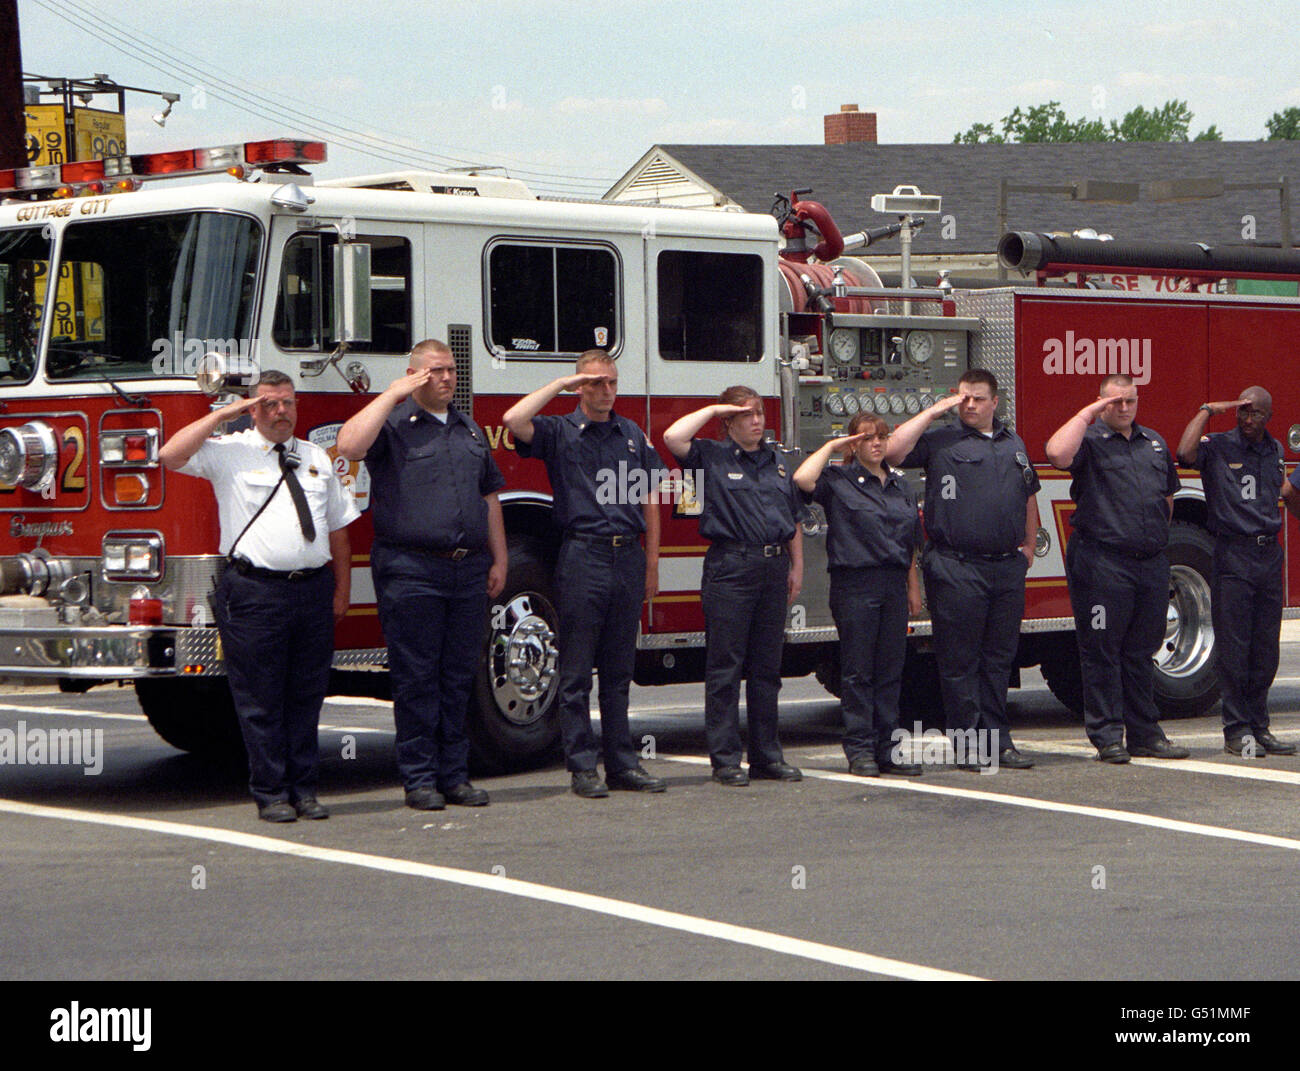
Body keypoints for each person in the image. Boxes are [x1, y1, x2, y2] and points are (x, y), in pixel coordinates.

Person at [160, 369, 359, 822]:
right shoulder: (230, 453)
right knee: (261, 699)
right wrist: (227, 412)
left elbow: (339, 527)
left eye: (287, 402)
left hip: (311, 590)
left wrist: (342, 590)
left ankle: (304, 790)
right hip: (254, 593)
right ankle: (271, 793)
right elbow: (169, 455)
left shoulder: (315, 457)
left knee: (307, 697)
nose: (280, 411)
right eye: (269, 403)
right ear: (253, 409)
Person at [336, 339, 507, 810]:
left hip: (467, 569)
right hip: (411, 569)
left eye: (450, 370)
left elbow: (489, 497)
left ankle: (455, 775)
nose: (447, 378)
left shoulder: (470, 431)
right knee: (416, 678)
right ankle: (419, 779)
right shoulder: (392, 425)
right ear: (413, 375)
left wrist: (501, 559)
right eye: (434, 371)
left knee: (458, 678)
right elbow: (348, 445)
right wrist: (391, 395)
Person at [503, 350, 666, 798]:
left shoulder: (631, 434)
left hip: (626, 559)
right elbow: (514, 419)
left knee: (617, 673)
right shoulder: (559, 431)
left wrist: (651, 565)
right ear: (580, 386)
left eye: (611, 382)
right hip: (583, 557)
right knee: (575, 673)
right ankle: (581, 767)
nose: (606, 390)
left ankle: (622, 766)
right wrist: (559, 386)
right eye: (595, 383)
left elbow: (650, 499)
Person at [883, 369, 1040, 771]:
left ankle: (999, 742)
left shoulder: (1013, 443)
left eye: (977, 398)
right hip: (957, 567)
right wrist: (935, 410)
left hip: (1006, 568)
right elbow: (894, 452)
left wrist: (1028, 545)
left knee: (998, 661)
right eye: (963, 398)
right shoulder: (940, 440)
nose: (969, 405)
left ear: (994, 403)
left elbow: (1027, 494)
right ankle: (968, 745)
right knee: (959, 662)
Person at [1044, 373, 1190, 763]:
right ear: (1101, 404)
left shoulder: (1155, 443)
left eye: (1130, 401)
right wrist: (1088, 413)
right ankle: (1108, 735)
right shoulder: (1088, 442)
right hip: (1102, 563)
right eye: (1115, 402)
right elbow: (1056, 453)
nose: (1124, 408)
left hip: (1150, 563)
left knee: (1143, 650)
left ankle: (1145, 734)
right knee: (1102, 651)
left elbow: (1167, 499)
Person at [663, 387, 804, 786]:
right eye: (745, 415)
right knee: (725, 668)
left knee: (766, 669)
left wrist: (797, 566)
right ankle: (726, 759)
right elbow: (673, 438)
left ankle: (767, 756)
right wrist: (710, 408)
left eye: (758, 413)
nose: (756, 420)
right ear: (728, 422)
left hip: (774, 567)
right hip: (731, 566)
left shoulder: (778, 464)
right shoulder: (710, 455)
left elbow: (791, 517)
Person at [793, 413, 923, 777]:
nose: (876, 443)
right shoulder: (838, 481)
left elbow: (909, 542)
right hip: (856, 584)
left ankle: (889, 750)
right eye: (867, 438)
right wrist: (833, 447)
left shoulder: (901, 485)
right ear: (854, 444)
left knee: (890, 671)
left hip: (893, 583)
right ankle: (861, 750)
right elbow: (802, 479)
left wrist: (913, 587)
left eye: (881, 437)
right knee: (858, 671)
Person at [1177, 388, 1297, 758]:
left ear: (1268, 416)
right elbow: (1184, 453)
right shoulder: (1218, 446)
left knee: (1265, 650)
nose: (1248, 420)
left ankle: (1260, 726)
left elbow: (1285, 495)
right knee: (1235, 648)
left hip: (1267, 554)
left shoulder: (1274, 451)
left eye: (1256, 414)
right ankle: (1237, 729)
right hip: (1232, 554)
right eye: (1243, 412)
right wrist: (1205, 410)